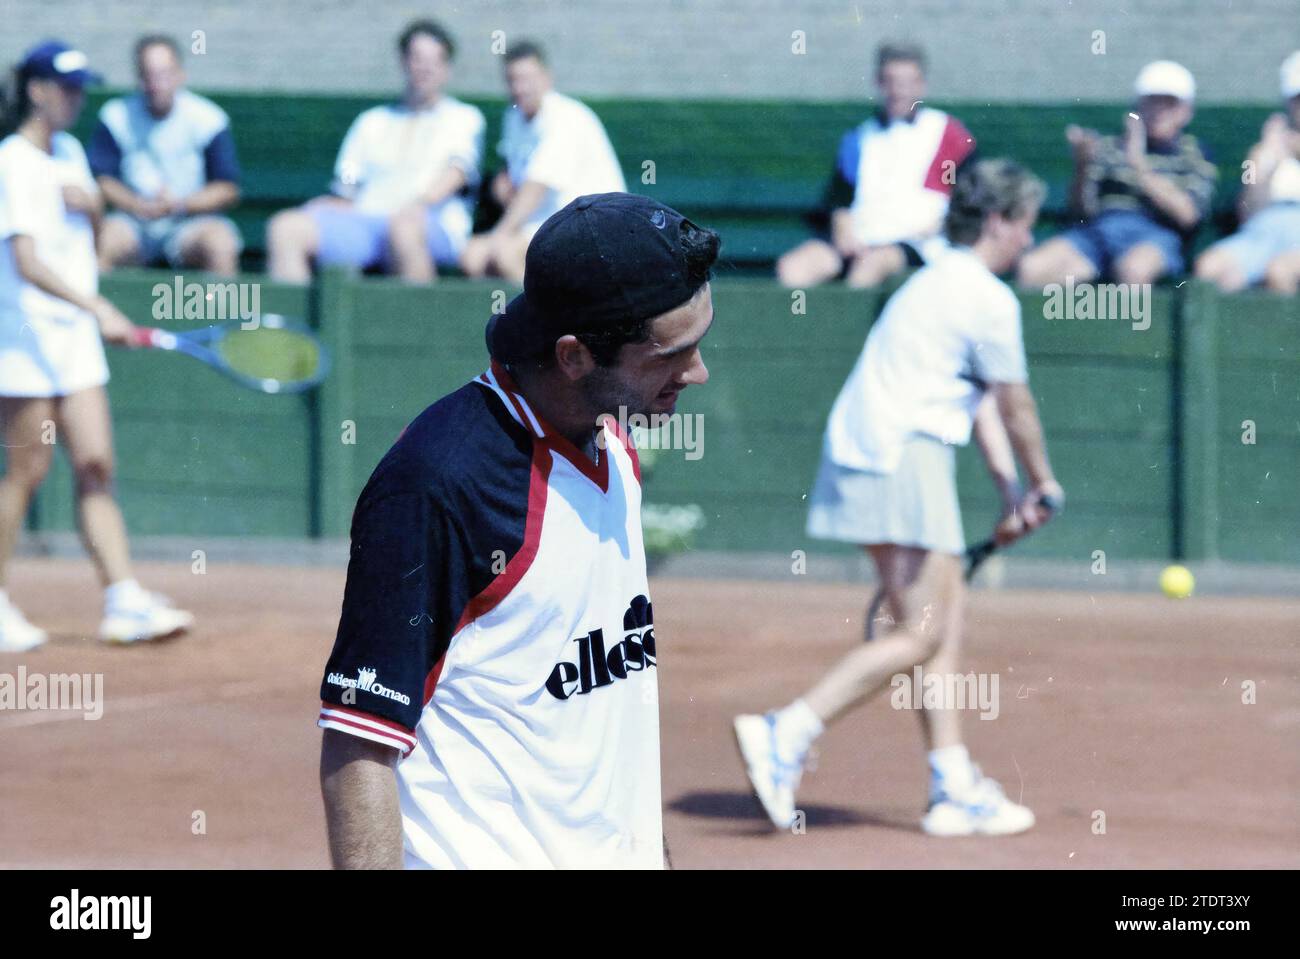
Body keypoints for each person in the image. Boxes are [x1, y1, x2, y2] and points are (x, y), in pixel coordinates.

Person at [317, 193, 718, 869]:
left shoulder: (614, 447)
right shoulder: (436, 484)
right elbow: (360, 744)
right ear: (573, 356)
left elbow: (611, 726)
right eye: (670, 355)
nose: (697, 372)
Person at [735, 159, 1064, 837]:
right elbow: (1016, 403)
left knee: (941, 623)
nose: (1031, 241)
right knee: (919, 632)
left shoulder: (937, 281)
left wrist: (1009, 491)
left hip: (882, 448)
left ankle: (951, 786)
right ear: (999, 221)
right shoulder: (986, 296)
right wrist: (1042, 483)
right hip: (899, 453)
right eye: (1026, 225)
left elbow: (977, 404)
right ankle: (784, 730)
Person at [0, 40, 193, 651]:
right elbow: (27, 262)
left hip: (75, 340)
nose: (77, 98)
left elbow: (91, 238)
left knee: (95, 464)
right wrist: (99, 307)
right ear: (36, 90)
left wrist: (91, 208)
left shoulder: (74, 153)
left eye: (83, 87)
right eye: (68, 87)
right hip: (25, 337)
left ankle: (122, 599)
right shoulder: (10, 163)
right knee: (26, 473)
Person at [266, 20, 484, 283]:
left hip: (429, 224)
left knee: (403, 229)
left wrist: (418, 205)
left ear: (446, 68)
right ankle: (293, 324)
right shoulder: (371, 121)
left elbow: (458, 171)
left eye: (434, 60)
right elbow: (348, 183)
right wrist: (330, 203)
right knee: (286, 228)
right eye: (417, 58)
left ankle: (420, 322)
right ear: (403, 62)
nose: (425, 68)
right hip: (366, 222)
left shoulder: (464, 118)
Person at [777, 42, 976, 289]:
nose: (898, 90)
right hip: (859, 242)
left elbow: (967, 201)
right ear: (879, 83)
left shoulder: (949, 134)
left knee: (871, 266)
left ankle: (848, 327)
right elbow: (840, 201)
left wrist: (934, 227)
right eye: (891, 81)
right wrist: (843, 232)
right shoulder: (859, 138)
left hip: (919, 247)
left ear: (921, 85)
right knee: (794, 267)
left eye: (908, 82)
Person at [1018, 61, 1217, 287]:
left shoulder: (1194, 153)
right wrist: (1083, 166)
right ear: (1139, 106)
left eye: (1169, 103)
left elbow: (1188, 214)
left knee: (1133, 270)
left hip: (1156, 236)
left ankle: (1126, 323)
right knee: (1032, 268)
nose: (1159, 111)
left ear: (1186, 112)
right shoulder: (1109, 147)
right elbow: (1080, 212)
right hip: (1098, 233)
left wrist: (1137, 162)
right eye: (1152, 102)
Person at [460, 41, 625, 284]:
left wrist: (500, 234)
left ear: (546, 79)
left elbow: (535, 188)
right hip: (545, 226)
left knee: (504, 254)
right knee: (471, 257)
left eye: (527, 78)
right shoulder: (513, 116)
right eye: (512, 79)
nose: (519, 87)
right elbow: (514, 180)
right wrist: (501, 186)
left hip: (592, 229)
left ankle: (547, 320)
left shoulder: (566, 117)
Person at [90, 35, 243, 277]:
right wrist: (135, 204)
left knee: (220, 243)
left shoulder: (208, 119)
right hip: (133, 223)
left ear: (180, 75)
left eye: (163, 74)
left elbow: (227, 188)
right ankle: (97, 314)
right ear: (138, 77)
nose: (155, 84)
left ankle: (222, 314)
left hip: (189, 224)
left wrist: (179, 205)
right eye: (147, 75)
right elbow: (102, 179)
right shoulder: (116, 116)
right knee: (103, 239)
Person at [1195, 51, 1300, 293]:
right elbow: (1248, 211)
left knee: (1279, 272)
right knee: (1209, 269)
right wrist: (1270, 160)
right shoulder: (1264, 149)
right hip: (1262, 232)